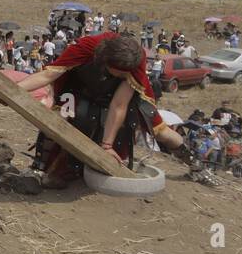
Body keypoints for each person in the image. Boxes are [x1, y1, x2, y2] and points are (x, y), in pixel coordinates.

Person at [17, 32, 212, 187]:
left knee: (160, 130)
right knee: (59, 117)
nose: (122, 75)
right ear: (105, 62)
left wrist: (107, 146)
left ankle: (195, 164)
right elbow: (48, 75)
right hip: (81, 87)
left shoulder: (134, 62)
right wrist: (16, 91)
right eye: (119, 72)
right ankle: (39, 168)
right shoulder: (86, 47)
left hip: (126, 97)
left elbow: (119, 105)